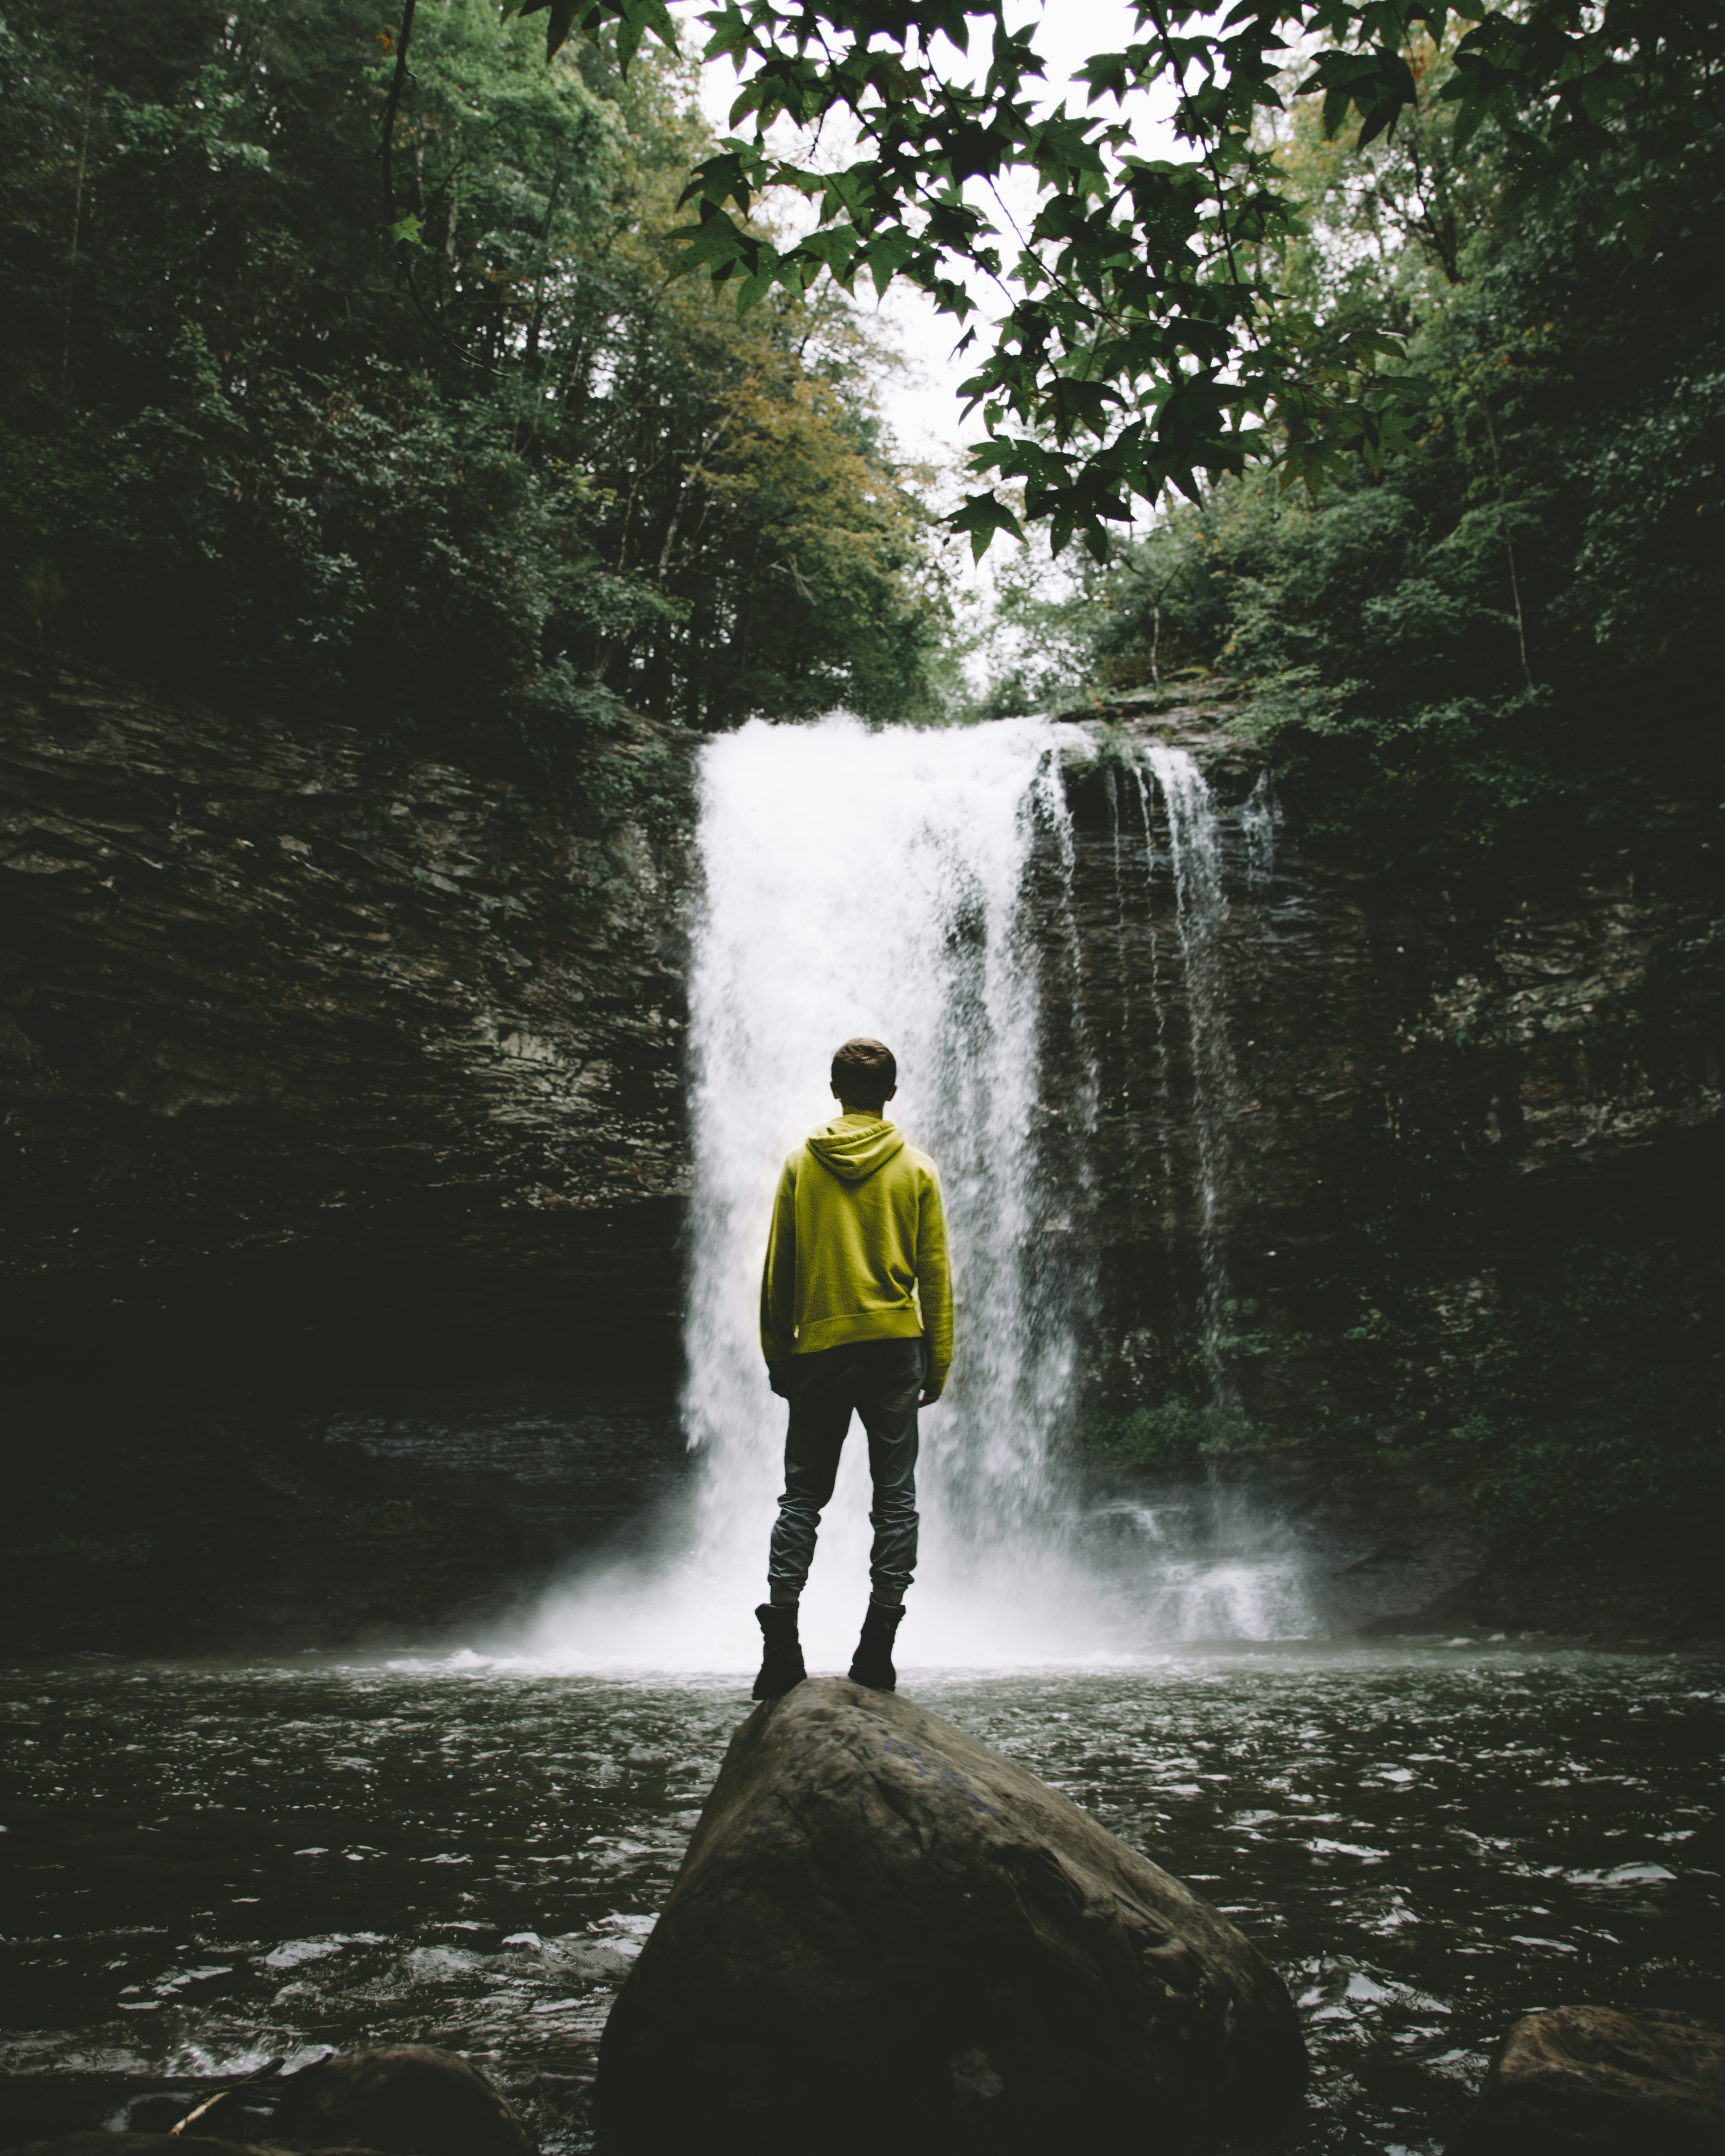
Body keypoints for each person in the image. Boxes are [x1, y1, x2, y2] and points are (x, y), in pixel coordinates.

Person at [751, 1036, 953, 1700]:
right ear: (890, 1093)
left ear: (835, 1090)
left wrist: (778, 1352)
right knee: (895, 1498)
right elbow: (934, 1276)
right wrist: (939, 1360)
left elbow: (779, 1270)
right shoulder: (916, 1169)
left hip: (819, 1350)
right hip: (896, 1348)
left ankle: (781, 1644)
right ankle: (877, 1651)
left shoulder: (800, 1167)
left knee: (801, 1497)